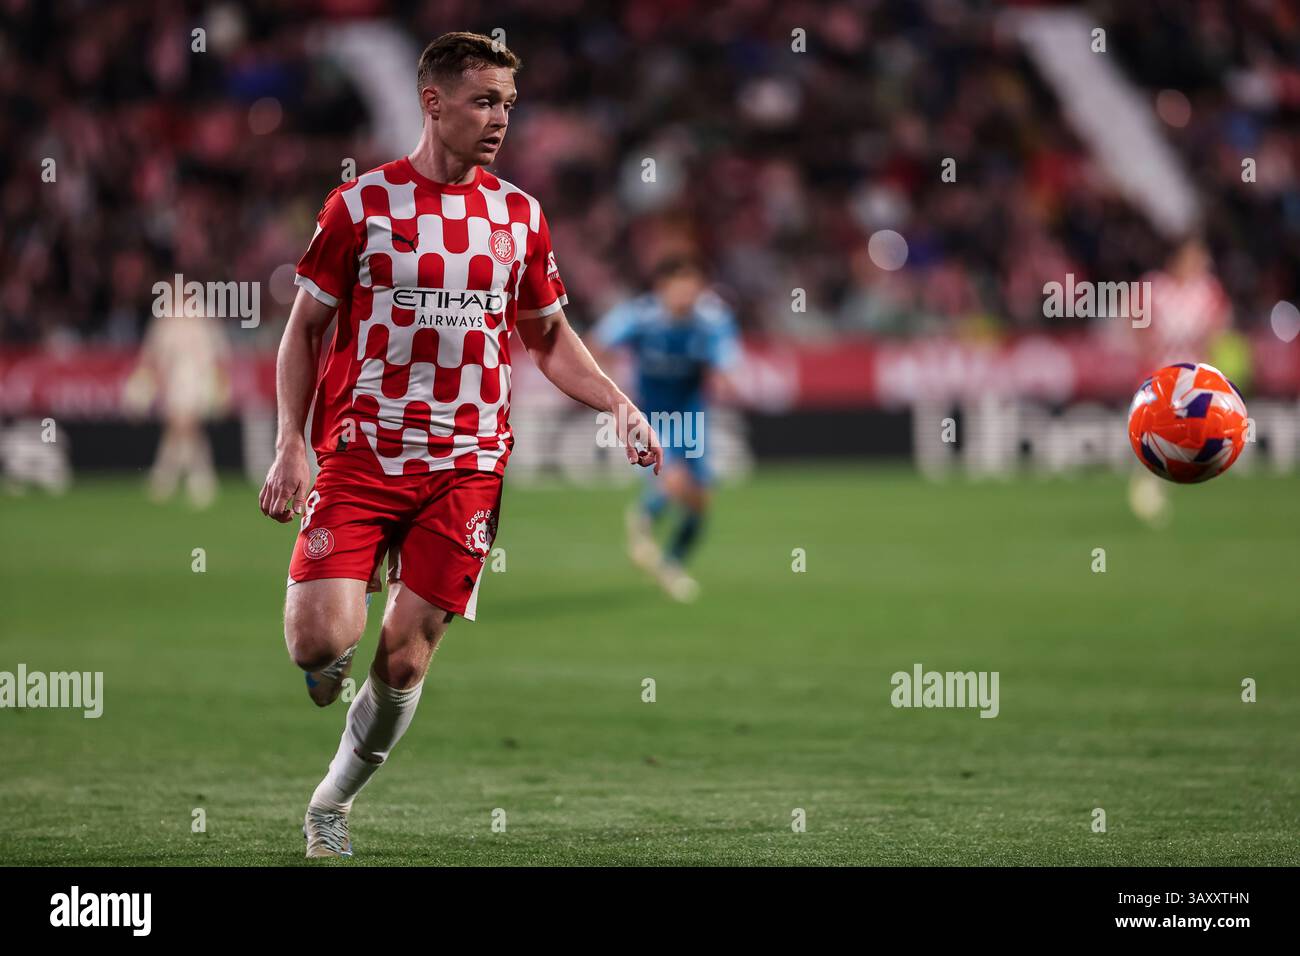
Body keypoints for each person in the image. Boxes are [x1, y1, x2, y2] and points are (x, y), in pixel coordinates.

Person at [258, 32, 662, 859]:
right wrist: (290, 445)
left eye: (508, 104)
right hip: (364, 455)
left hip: (467, 465)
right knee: (319, 643)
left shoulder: (519, 215)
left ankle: (329, 806)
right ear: (432, 102)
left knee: (404, 660)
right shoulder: (360, 208)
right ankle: (330, 647)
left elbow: (547, 337)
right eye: (484, 101)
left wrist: (617, 402)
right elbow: (305, 330)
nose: (500, 119)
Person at [591, 257, 740, 601]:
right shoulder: (639, 316)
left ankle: (670, 563)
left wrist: (725, 376)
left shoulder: (711, 320)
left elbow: (727, 361)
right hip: (652, 417)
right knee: (674, 480)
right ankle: (642, 518)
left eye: (693, 287)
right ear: (662, 289)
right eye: (679, 287)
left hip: (692, 416)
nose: (686, 295)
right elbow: (595, 344)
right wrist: (609, 387)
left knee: (701, 502)